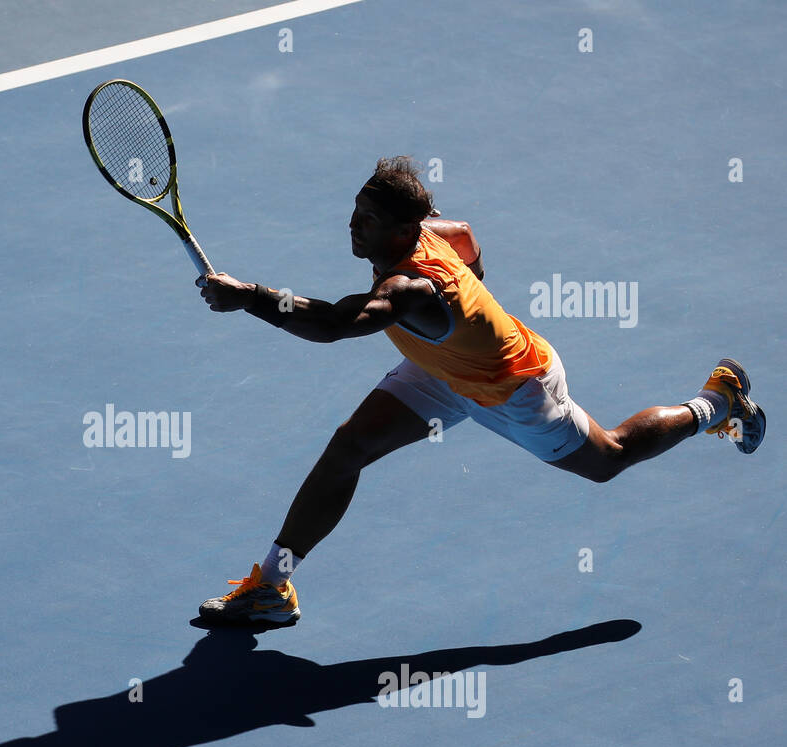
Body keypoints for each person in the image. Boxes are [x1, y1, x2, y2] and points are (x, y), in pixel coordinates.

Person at [195, 156, 765, 628]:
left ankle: (717, 402)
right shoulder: (427, 233)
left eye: (367, 219)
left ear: (400, 232)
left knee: (608, 459)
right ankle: (271, 586)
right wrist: (473, 292)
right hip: (445, 368)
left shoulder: (411, 289)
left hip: (516, 388)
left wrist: (250, 296)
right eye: (356, 210)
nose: (353, 224)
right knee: (348, 449)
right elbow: (464, 237)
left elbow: (338, 324)